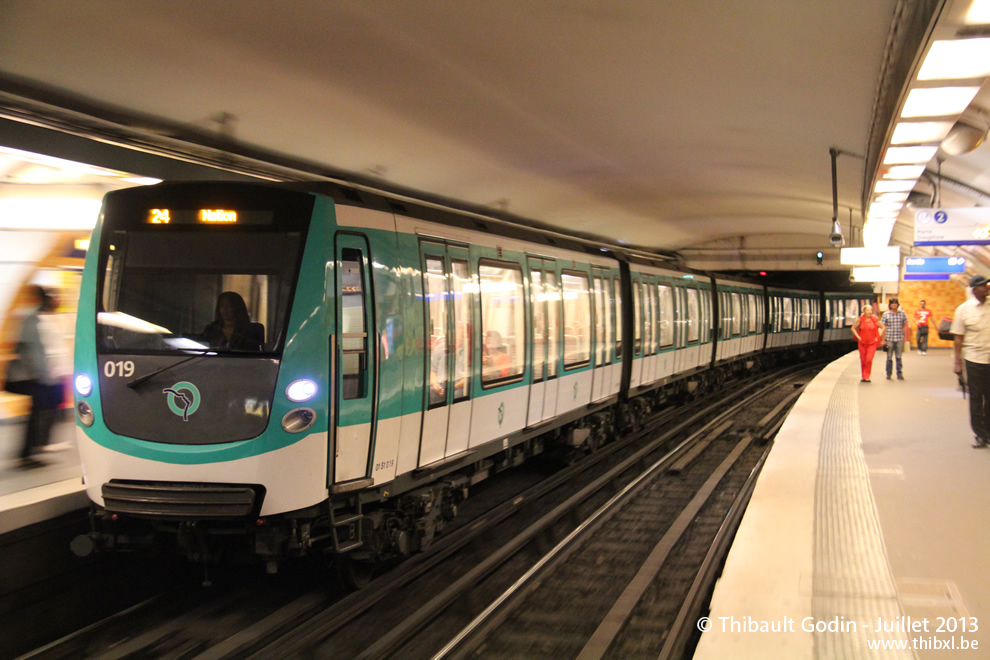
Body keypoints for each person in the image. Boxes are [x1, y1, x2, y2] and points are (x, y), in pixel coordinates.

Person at [10, 286, 66, 468]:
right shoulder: (31, 317)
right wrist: (44, 375)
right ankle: (27, 453)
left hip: (40, 375)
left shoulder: (37, 316)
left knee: (41, 411)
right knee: (39, 412)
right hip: (35, 376)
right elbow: (31, 350)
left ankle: (32, 450)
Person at [951, 275, 990, 448]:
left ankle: (988, 431)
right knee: (976, 397)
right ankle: (980, 434)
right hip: (974, 359)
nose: (987, 288)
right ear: (974, 290)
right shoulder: (963, 310)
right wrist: (958, 363)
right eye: (983, 286)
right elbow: (958, 338)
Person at [851, 303, 884, 382]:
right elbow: (853, 328)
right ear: (864, 311)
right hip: (862, 343)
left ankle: (867, 376)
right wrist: (858, 336)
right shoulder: (860, 319)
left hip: (872, 343)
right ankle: (864, 376)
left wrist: (878, 336)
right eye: (868, 310)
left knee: (869, 359)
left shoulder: (875, 319)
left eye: (871, 310)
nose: (869, 312)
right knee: (863, 360)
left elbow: (883, 327)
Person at [881, 298, 909, 380]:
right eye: (892, 303)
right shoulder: (886, 314)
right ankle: (889, 373)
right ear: (889, 305)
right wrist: (883, 339)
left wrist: (905, 337)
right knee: (889, 356)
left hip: (899, 338)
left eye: (896, 303)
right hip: (889, 338)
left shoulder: (902, 314)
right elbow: (883, 327)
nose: (894, 304)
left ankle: (899, 373)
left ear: (898, 304)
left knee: (899, 357)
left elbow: (905, 325)